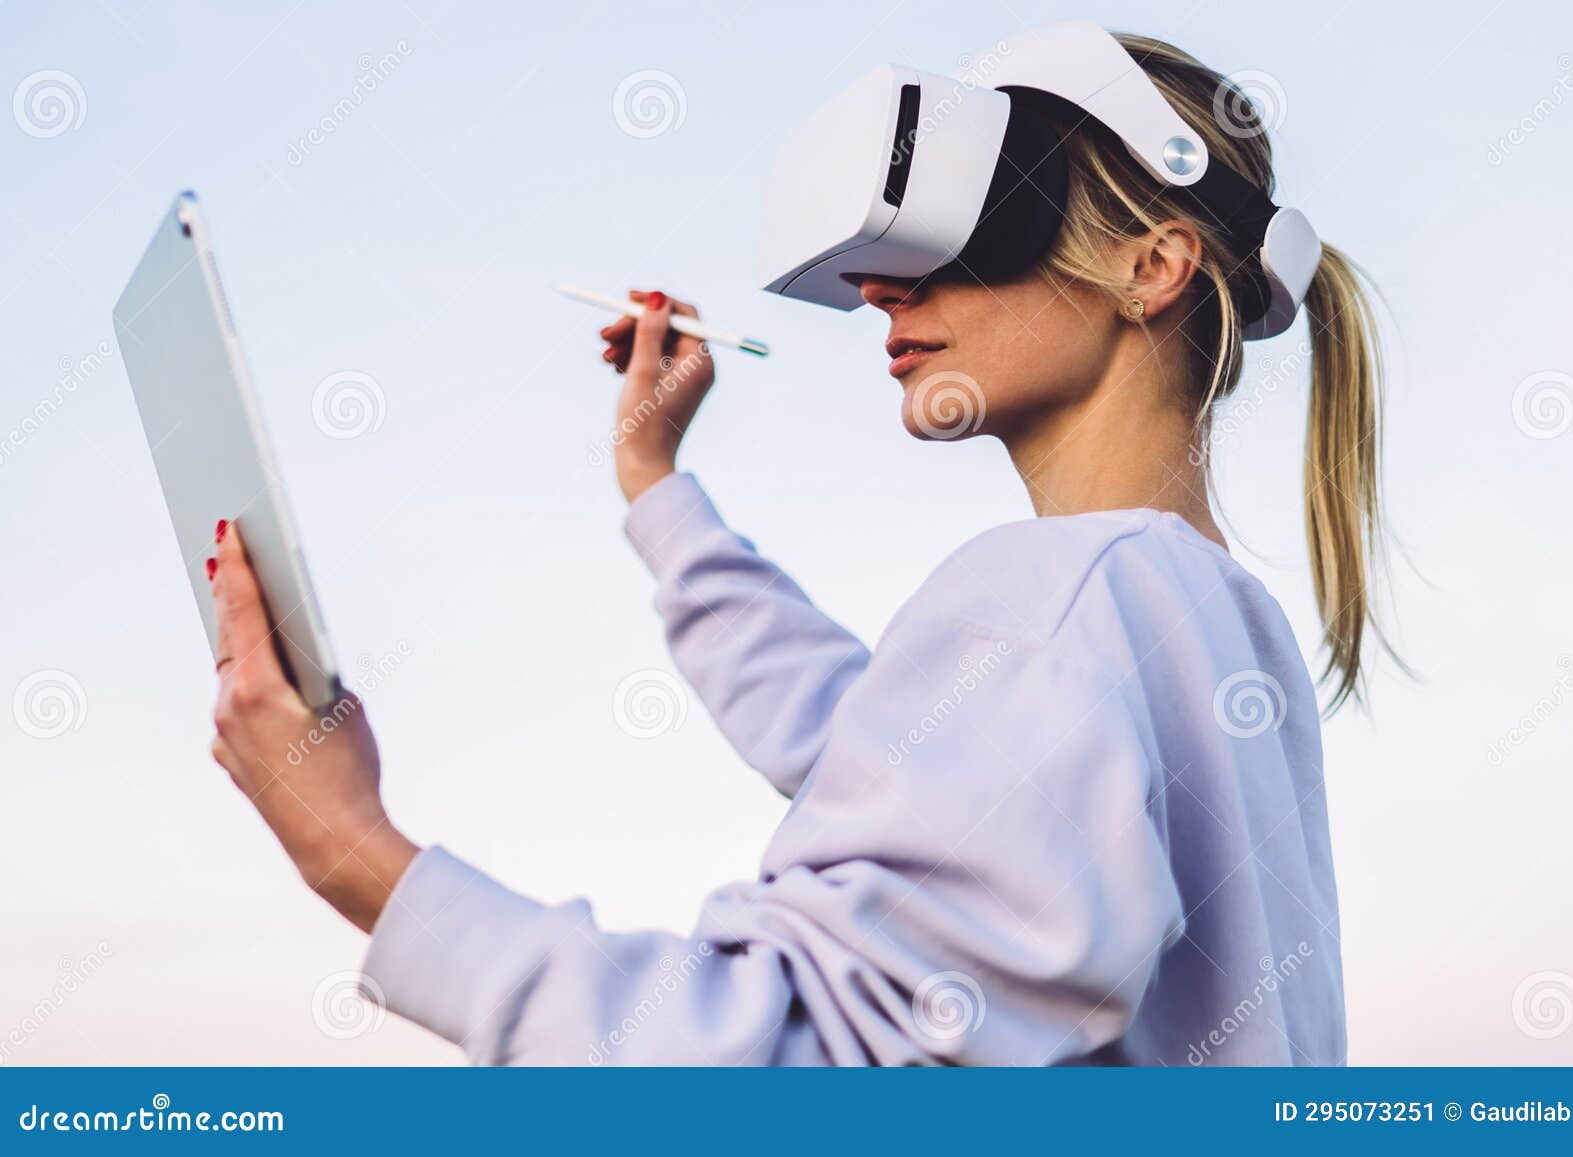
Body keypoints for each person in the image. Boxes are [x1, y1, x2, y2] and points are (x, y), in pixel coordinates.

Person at [203, 33, 1390, 1065]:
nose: (881, 284)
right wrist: (654, 482)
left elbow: (805, 1067)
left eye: (976, 214)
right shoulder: (1204, 625)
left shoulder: (1066, 598)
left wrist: (351, 849)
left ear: (1151, 264)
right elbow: (872, 741)